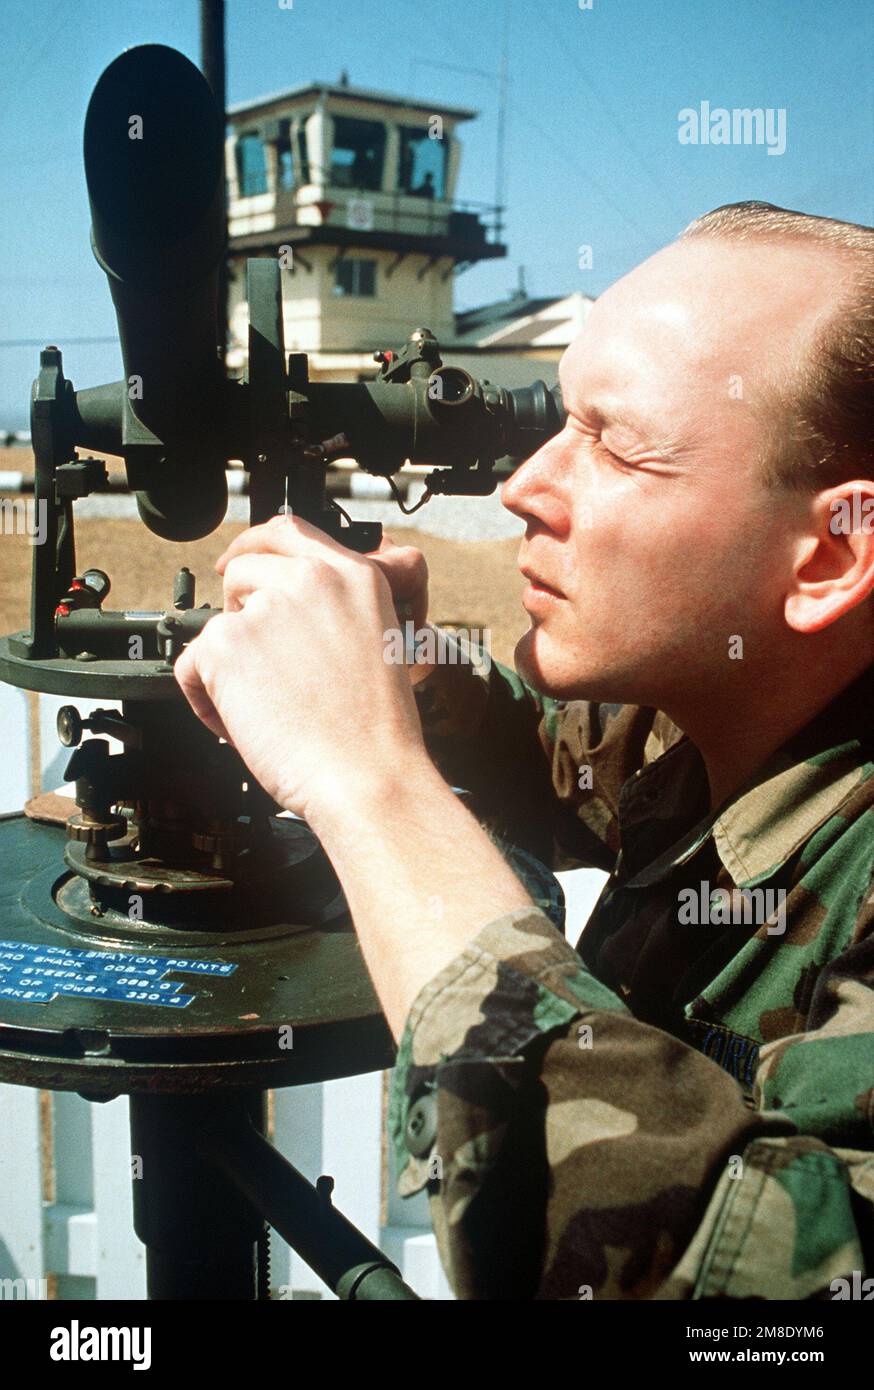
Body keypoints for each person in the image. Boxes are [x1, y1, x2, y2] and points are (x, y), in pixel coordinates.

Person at [175, 202, 874, 1300]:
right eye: (559, 420)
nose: (522, 488)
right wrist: (412, 669)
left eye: (617, 446)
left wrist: (368, 781)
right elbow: (570, 771)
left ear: (832, 554)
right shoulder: (723, 717)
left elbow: (766, 1296)